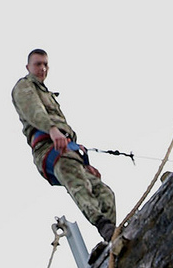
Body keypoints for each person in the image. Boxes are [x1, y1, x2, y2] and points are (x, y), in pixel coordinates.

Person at [11, 50, 116, 241]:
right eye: (37, 64)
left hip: (67, 149)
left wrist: (84, 164)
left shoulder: (48, 94)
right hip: (48, 149)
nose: (42, 68)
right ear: (28, 67)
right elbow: (34, 110)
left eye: (45, 64)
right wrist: (51, 129)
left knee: (104, 192)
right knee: (77, 183)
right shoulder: (24, 86)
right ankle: (103, 226)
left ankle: (112, 235)